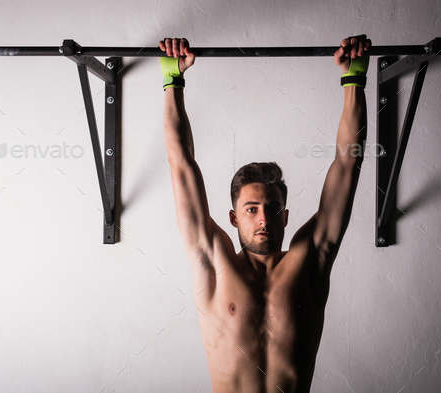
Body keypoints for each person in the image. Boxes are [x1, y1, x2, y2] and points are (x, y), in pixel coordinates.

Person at [158, 35, 371, 393]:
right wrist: (172, 80)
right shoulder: (213, 260)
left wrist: (354, 79)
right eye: (251, 209)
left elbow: (348, 163)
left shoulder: (310, 260)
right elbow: (181, 164)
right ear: (233, 217)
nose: (263, 219)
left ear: (286, 217)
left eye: (273, 209)